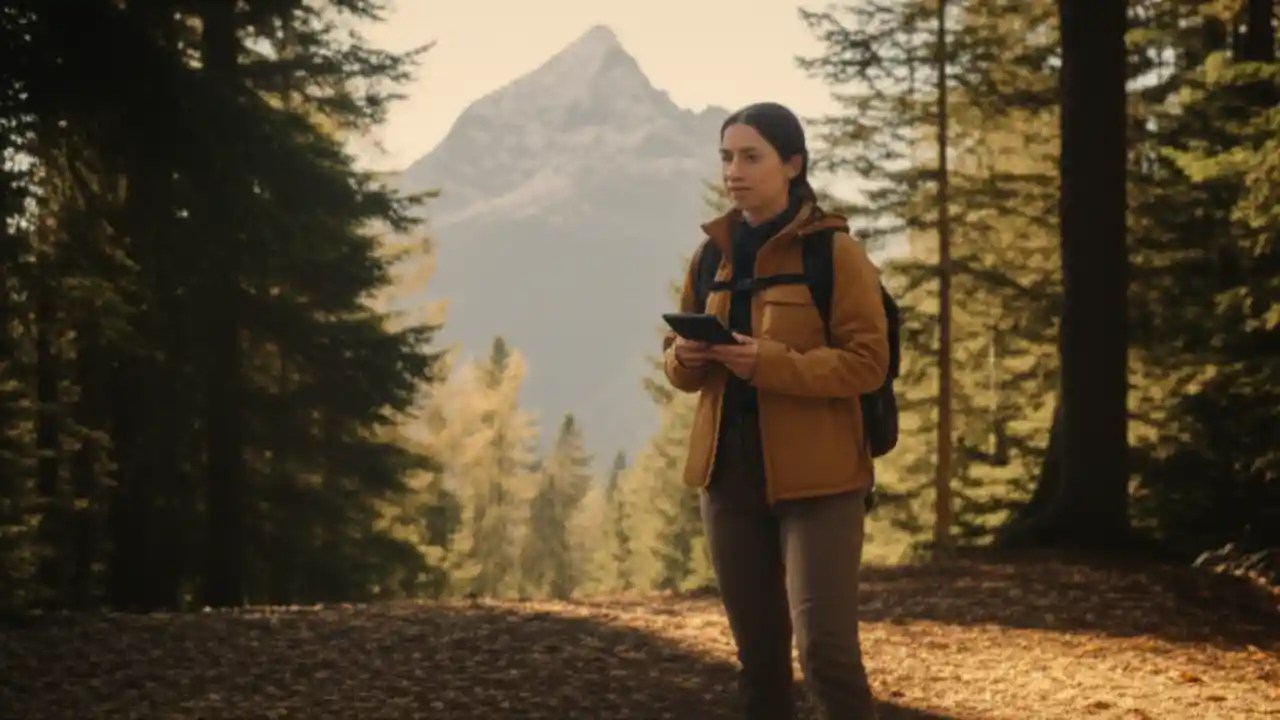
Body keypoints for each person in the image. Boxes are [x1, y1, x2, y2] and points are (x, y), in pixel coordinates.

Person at [662, 102, 889, 720]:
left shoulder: (834, 255)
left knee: (827, 656)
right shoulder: (710, 257)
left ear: (792, 164)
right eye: (727, 157)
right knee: (758, 664)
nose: (734, 171)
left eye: (751, 156)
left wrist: (769, 362)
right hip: (728, 483)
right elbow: (681, 375)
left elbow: (869, 363)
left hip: (822, 484)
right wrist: (686, 354)